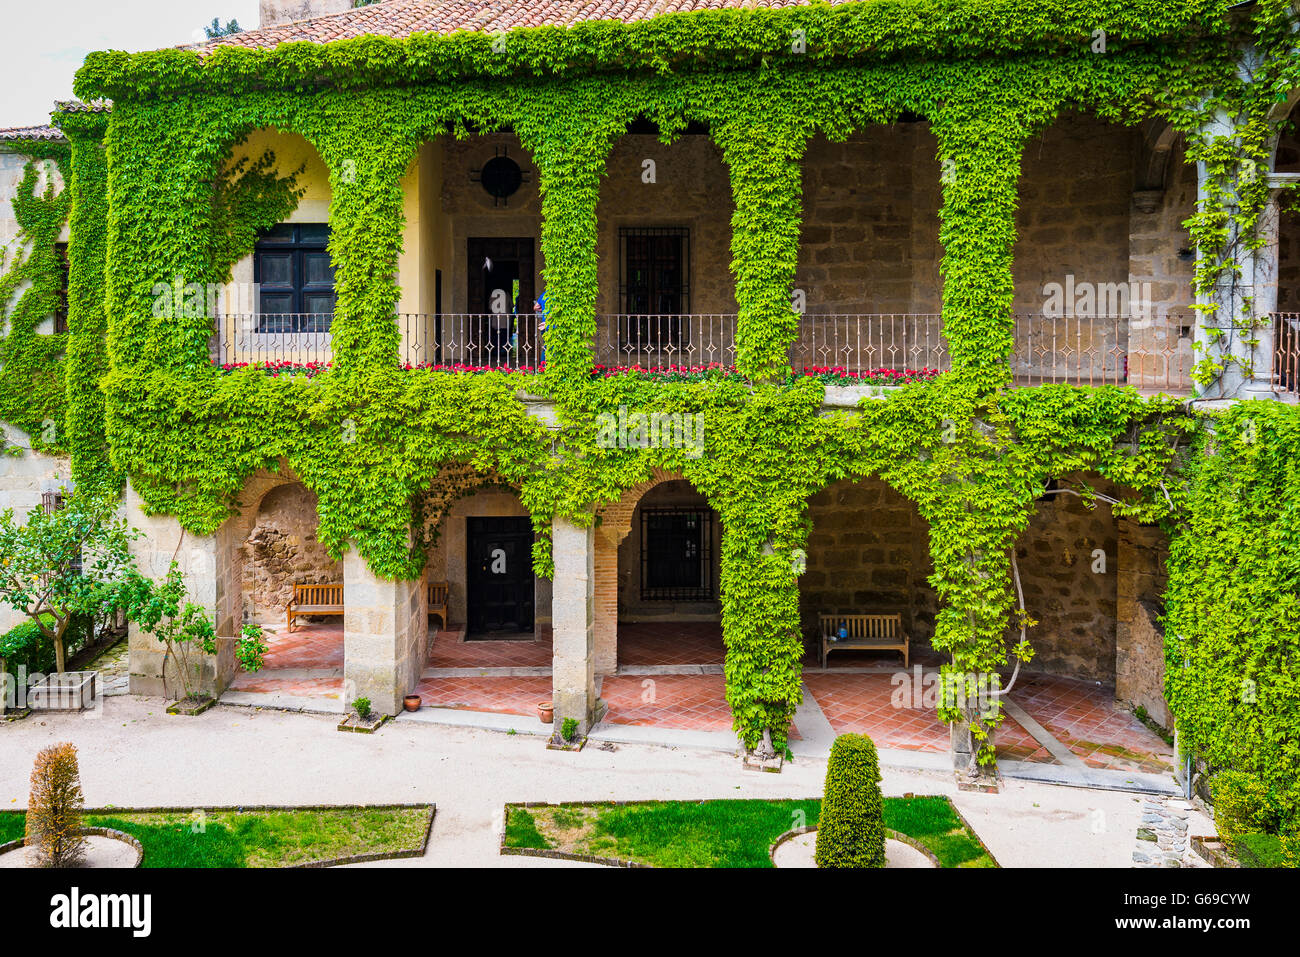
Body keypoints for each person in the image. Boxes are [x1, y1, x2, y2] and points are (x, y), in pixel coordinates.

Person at [534, 289, 547, 365]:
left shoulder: (545, 294)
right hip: (552, 324)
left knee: (545, 347)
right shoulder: (558, 294)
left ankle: (542, 368)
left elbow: (535, 307)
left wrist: (543, 310)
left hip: (543, 325)